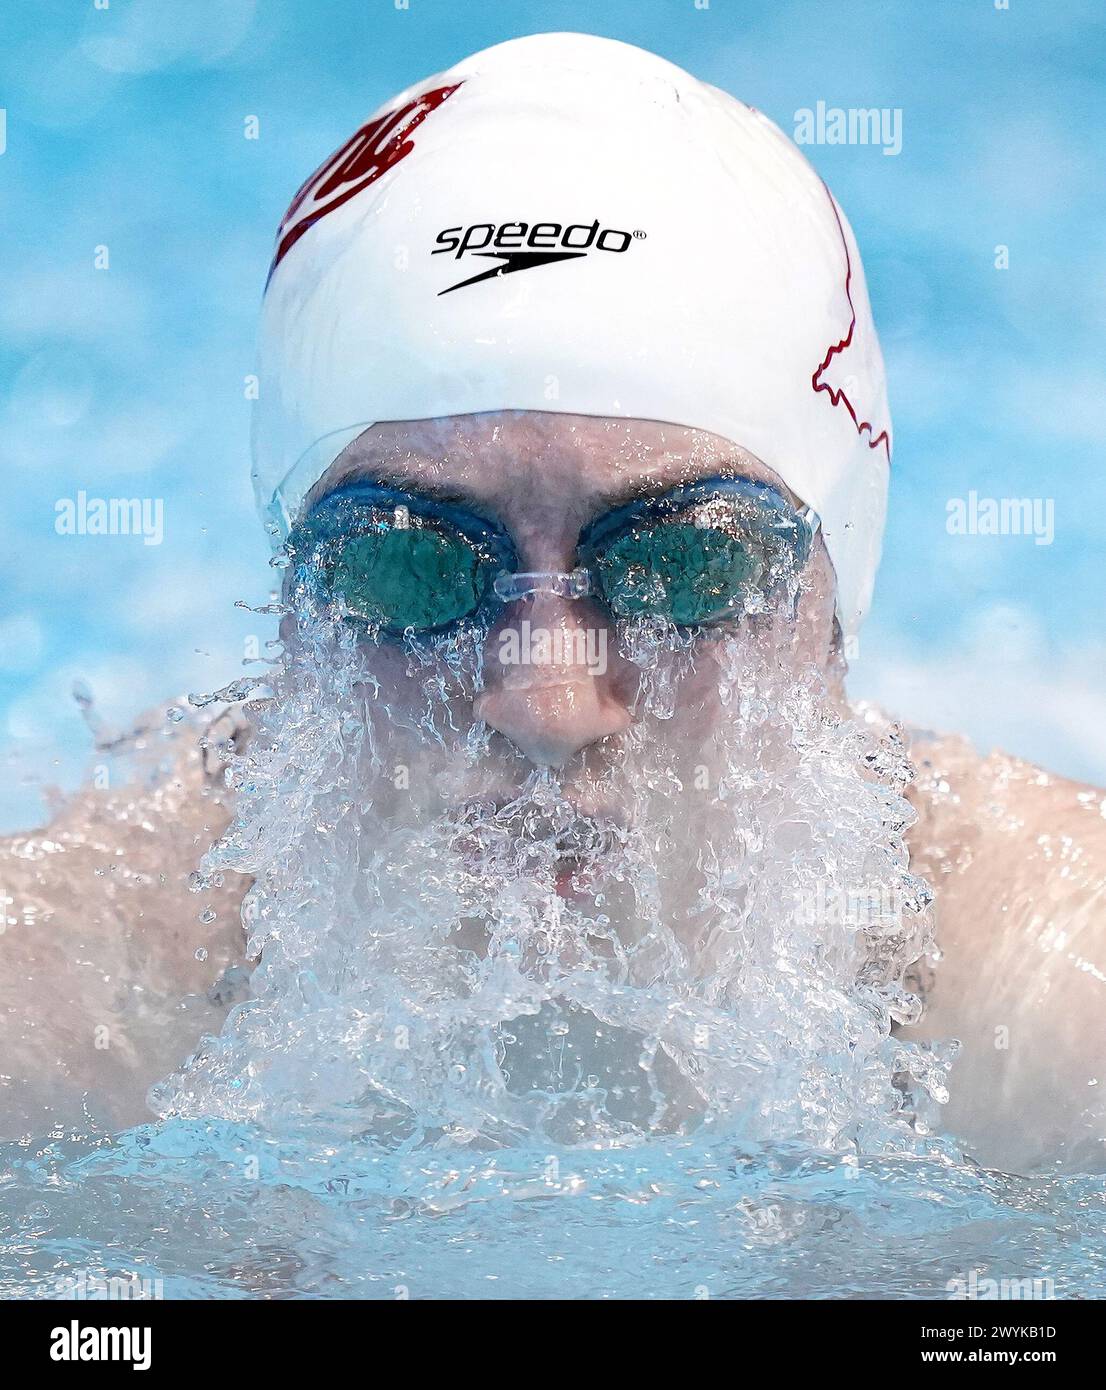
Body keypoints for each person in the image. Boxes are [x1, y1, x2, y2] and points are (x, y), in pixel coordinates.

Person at [2, 34, 1103, 1171]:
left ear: (834, 605)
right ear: (292, 612)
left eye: (684, 567)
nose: (543, 702)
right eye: (408, 564)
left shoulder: (1058, 1007)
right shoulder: (60, 1026)